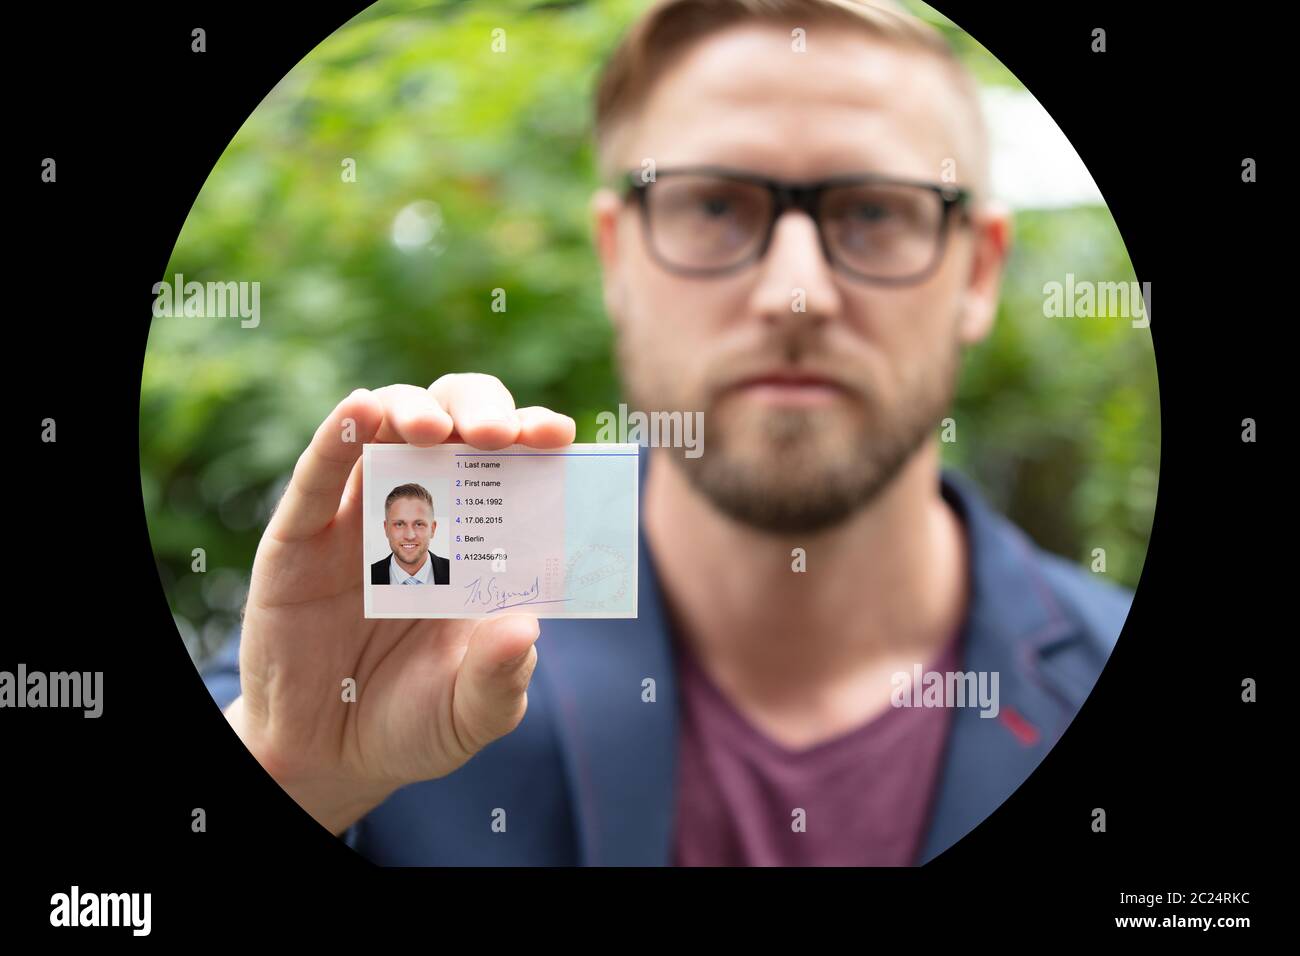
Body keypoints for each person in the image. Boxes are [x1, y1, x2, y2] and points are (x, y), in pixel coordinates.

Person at [202, 0, 1134, 865]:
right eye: (717, 205)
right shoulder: (415, 641)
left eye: (874, 212)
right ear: (617, 256)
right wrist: (295, 776)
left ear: (979, 272)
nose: (794, 294)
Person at [371, 483, 450, 585]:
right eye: (399, 524)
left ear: (432, 529)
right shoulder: (367, 577)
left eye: (419, 524)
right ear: (386, 529)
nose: (409, 536)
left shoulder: (459, 573)